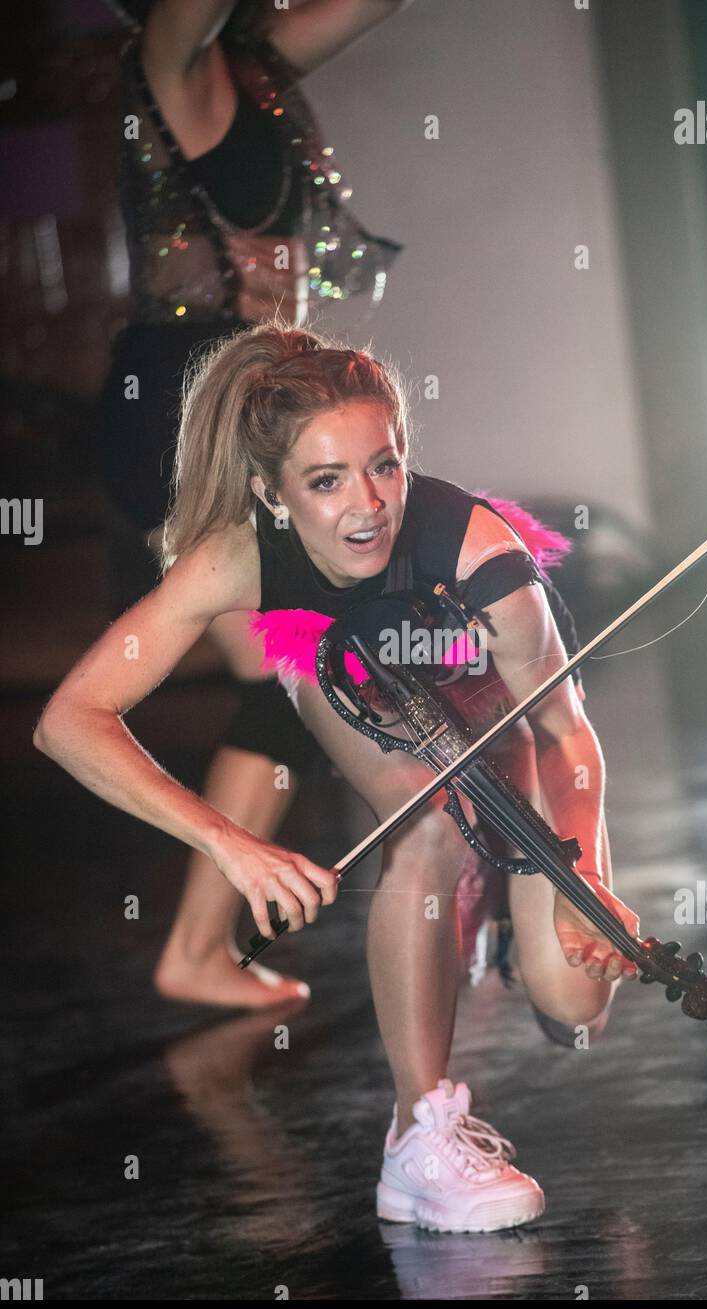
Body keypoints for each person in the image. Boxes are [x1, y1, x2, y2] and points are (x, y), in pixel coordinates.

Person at [34, 323, 641, 1235]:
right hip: (351, 677)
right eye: (325, 481)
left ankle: (494, 919)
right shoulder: (238, 558)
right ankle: (418, 1140)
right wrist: (232, 846)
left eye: (385, 467)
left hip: (497, 720)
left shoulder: (476, 553)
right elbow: (67, 721)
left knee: (575, 1000)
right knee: (429, 813)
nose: (368, 506)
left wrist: (583, 871)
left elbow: (566, 729)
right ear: (268, 493)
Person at [98, 0, 407, 1009]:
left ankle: (195, 947)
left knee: (288, 669)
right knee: (284, 669)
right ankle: (194, 943)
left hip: (241, 398)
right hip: (180, 407)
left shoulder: (251, 56)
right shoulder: (172, 59)